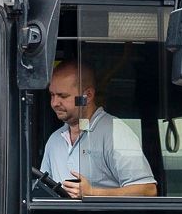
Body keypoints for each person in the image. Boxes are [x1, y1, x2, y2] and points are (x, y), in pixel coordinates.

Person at [38, 62, 156, 198]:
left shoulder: (115, 132)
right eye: (52, 95)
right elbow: (43, 192)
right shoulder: (54, 140)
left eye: (63, 96)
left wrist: (93, 193)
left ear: (87, 96)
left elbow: (148, 190)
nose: (54, 103)